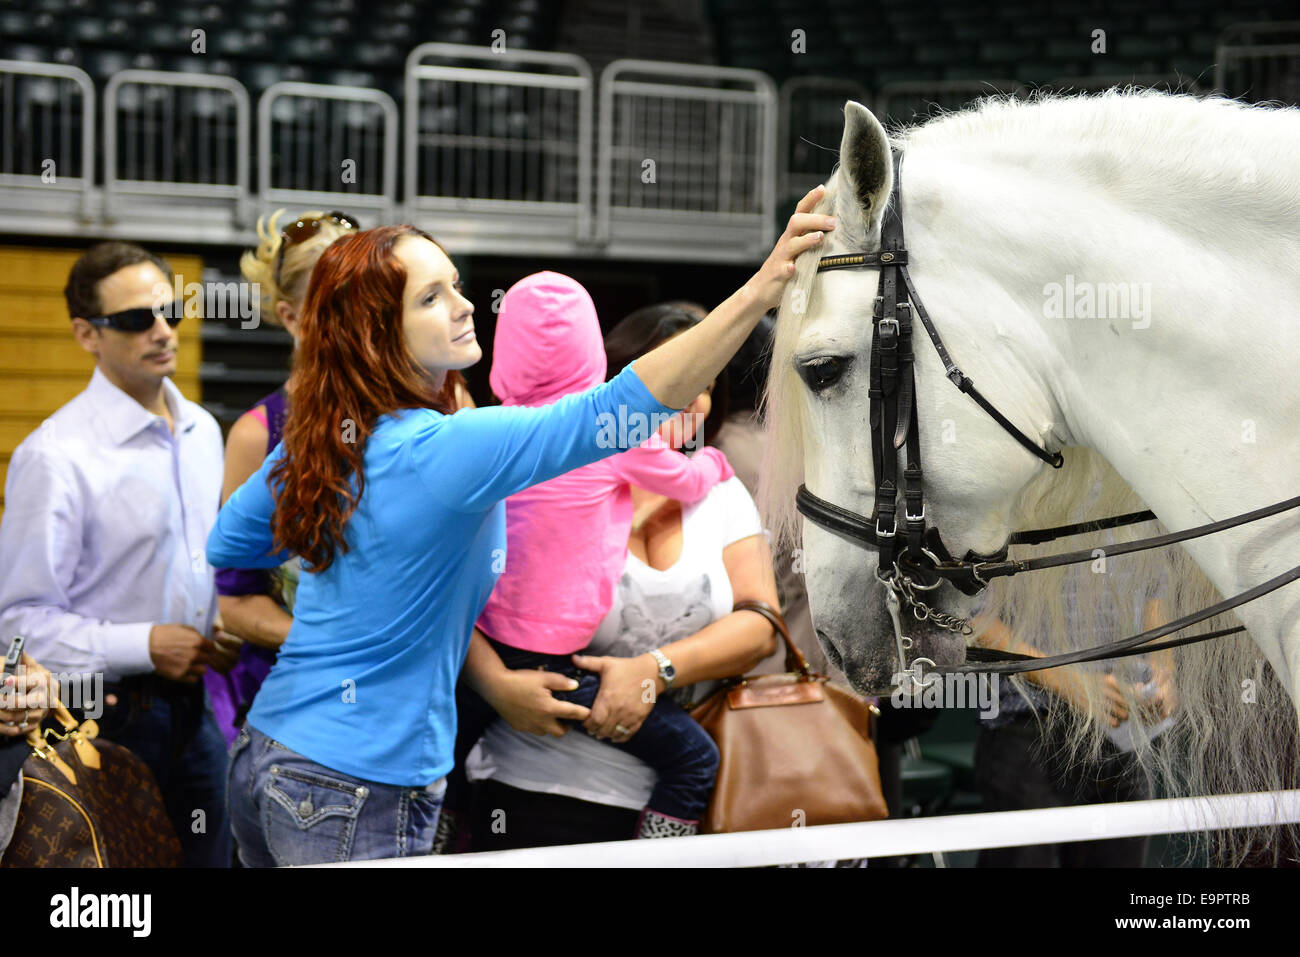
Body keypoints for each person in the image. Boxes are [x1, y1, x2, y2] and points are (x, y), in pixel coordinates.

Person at [208, 191, 834, 865]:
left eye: (456, 284)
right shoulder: (448, 448)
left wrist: (360, 599)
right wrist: (760, 289)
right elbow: (617, 409)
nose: (465, 305)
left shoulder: (325, 436)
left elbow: (230, 544)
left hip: (269, 752)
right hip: (356, 783)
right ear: (377, 334)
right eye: (431, 297)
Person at [464, 304, 783, 850]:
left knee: (693, 765)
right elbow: (457, 597)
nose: (692, 397)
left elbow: (760, 624)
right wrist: (493, 683)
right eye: (674, 376)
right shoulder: (546, 464)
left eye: (705, 382)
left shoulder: (721, 490)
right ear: (618, 384)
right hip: (529, 787)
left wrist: (652, 670)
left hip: (664, 796)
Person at [0, 242, 237, 867]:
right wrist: (147, 643)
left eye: (170, 311)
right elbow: (19, 624)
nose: (161, 331)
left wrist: (217, 624)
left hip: (195, 704)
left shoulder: (202, 431)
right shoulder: (55, 456)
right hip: (100, 714)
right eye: (136, 319)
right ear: (87, 334)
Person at [971, 580, 1174, 867]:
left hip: (1127, 726)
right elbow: (970, 614)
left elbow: (1154, 591)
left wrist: (1163, 670)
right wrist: (1064, 679)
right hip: (1031, 724)